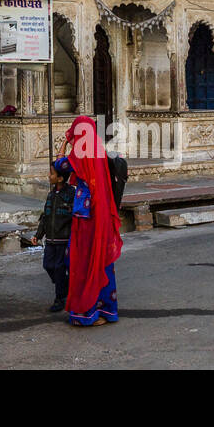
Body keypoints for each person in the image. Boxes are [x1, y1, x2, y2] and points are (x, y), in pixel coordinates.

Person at [60, 115, 123, 326]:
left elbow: (59, 166)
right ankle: (107, 309)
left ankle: (87, 313)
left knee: (84, 261)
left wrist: (63, 143)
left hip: (86, 219)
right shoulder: (97, 149)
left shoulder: (79, 153)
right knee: (102, 261)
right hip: (101, 215)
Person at [29, 158, 75, 313]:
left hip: (63, 240)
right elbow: (45, 217)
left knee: (59, 268)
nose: (49, 176)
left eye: (52, 173)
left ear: (60, 178)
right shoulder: (50, 195)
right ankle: (66, 285)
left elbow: (75, 216)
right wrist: (38, 234)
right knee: (48, 265)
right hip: (50, 240)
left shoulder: (71, 194)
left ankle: (59, 298)